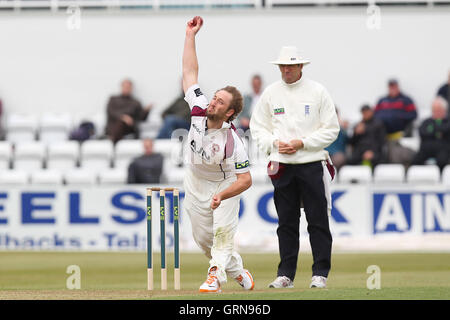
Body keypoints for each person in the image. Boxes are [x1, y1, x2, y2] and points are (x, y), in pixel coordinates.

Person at [250, 46, 339, 289]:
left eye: (290, 65)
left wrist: (304, 143)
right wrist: (274, 144)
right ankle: (285, 274)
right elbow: (258, 128)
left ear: (301, 66)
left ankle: (320, 273)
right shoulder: (270, 93)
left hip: (311, 163)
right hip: (282, 165)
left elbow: (331, 129)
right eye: (282, 66)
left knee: (317, 220)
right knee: (286, 222)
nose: (286, 70)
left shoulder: (317, 91)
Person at [182, 16, 254, 293]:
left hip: (225, 185)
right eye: (214, 97)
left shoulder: (233, 141)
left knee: (223, 233)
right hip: (195, 180)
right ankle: (237, 270)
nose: (213, 101)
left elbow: (245, 180)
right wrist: (190, 36)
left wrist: (223, 195)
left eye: (220, 102)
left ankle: (215, 277)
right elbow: (190, 73)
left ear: (230, 113)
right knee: (203, 240)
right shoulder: (199, 107)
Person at [374, 79, 417, 164]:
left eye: (394, 87)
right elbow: (375, 115)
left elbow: (413, 114)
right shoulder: (382, 100)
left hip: (399, 133)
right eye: (391, 87)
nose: (392, 89)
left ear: (398, 87)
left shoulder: (406, 100)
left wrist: (398, 116)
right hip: (383, 134)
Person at [105, 78, 152, 143]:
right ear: (121, 87)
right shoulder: (113, 99)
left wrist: (146, 111)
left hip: (129, 128)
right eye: (125, 87)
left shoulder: (135, 102)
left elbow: (141, 118)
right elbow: (110, 111)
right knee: (120, 123)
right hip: (114, 126)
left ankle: (114, 142)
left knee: (123, 123)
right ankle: (114, 141)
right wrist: (123, 117)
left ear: (131, 88)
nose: (127, 88)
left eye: (128, 87)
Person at [411, 97, 450, 171]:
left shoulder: (447, 121)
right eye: (434, 110)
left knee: (442, 161)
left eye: (438, 110)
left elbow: (446, 130)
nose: (436, 112)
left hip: (444, 149)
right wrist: (439, 131)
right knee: (415, 160)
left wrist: (433, 130)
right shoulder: (426, 122)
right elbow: (422, 132)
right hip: (426, 149)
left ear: (444, 110)